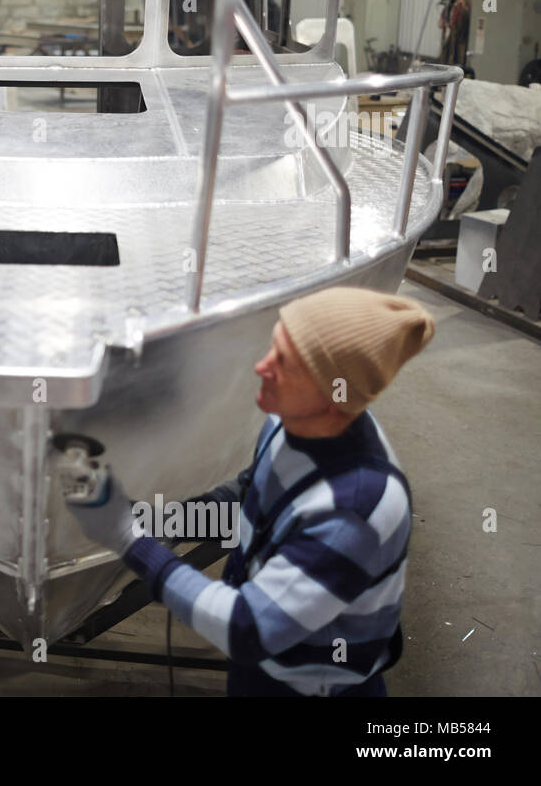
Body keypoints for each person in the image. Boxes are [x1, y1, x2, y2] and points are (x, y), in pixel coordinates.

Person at [67, 286, 436, 696]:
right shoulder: (287, 423)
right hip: (262, 665)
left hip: (312, 685)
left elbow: (247, 627)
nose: (261, 367)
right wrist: (153, 519)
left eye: (284, 363)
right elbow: (250, 498)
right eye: (271, 348)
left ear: (333, 397)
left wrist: (126, 537)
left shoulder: (355, 507)